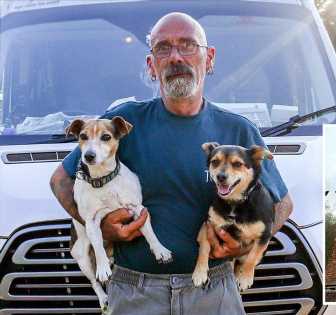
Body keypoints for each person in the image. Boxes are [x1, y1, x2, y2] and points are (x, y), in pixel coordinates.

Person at [49, 12, 293, 315]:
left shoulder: (237, 131)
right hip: (134, 291)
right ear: (152, 65)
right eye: (163, 48)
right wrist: (98, 226)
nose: (176, 56)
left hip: (214, 288)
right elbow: (61, 180)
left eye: (188, 45)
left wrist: (247, 247)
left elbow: (282, 204)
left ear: (210, 58)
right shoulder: (126, 123)